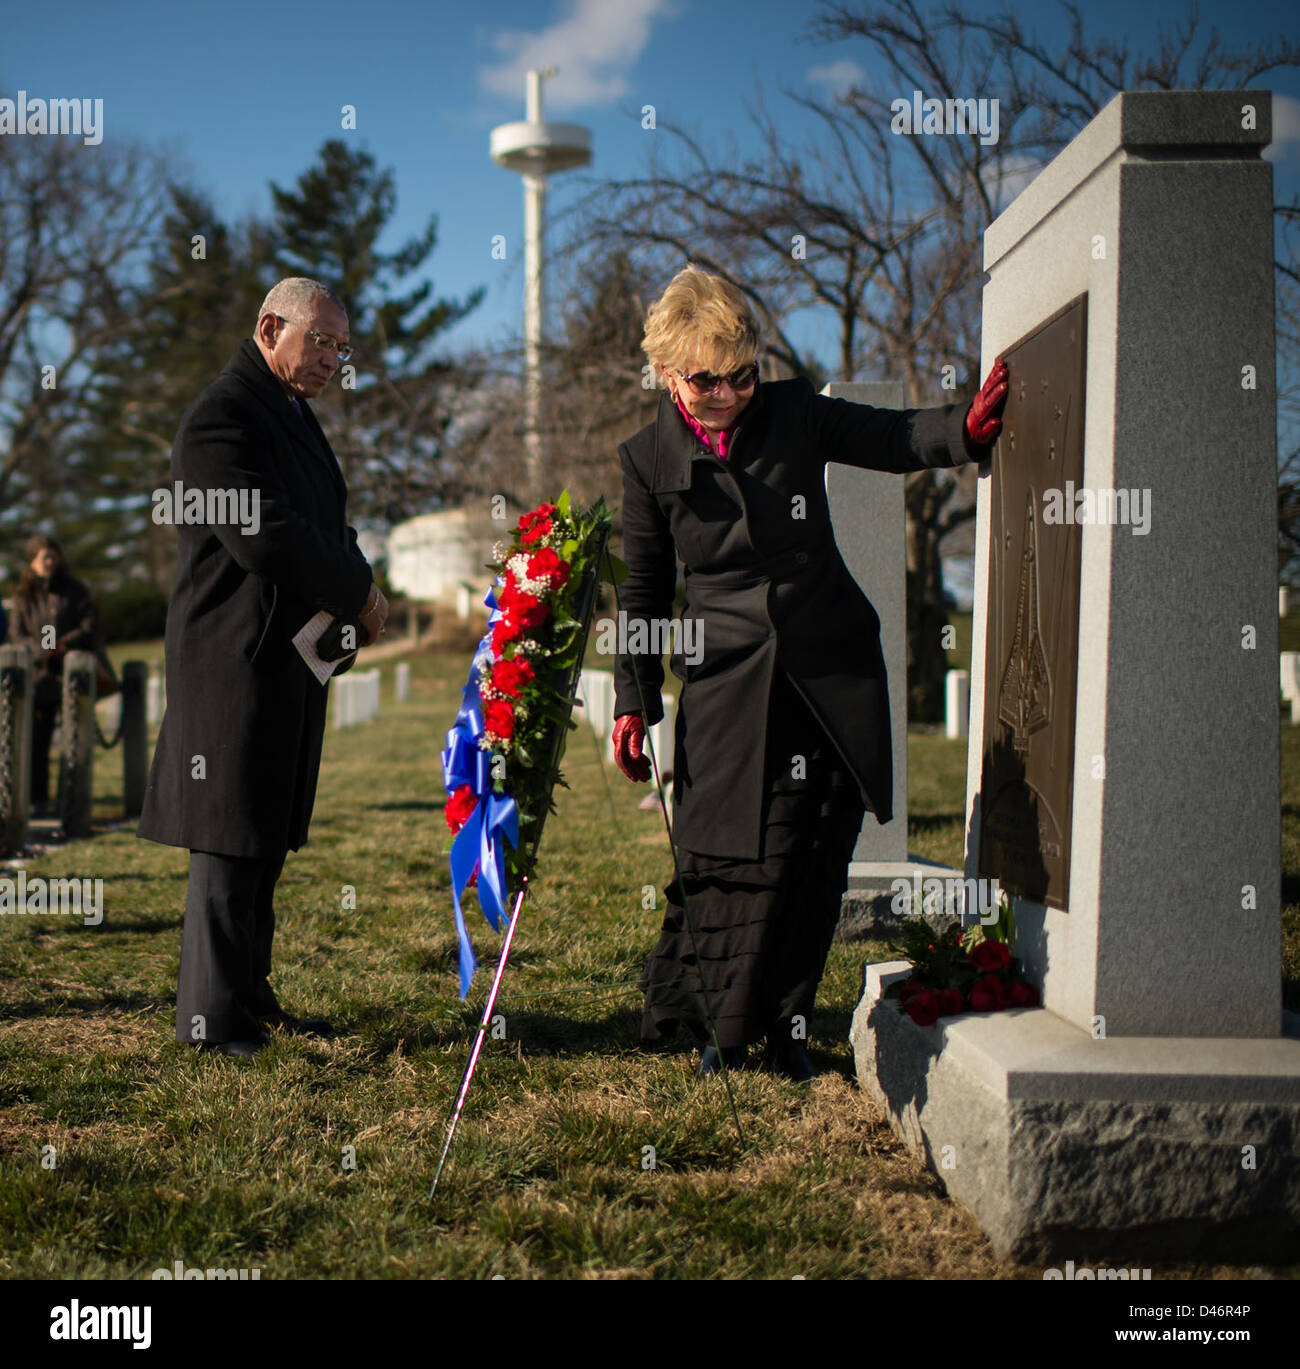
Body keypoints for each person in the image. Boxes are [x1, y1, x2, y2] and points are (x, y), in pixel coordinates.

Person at [611, 266, 1008, 1081]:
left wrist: (961, 432)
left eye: (742, 374)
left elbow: (887, 437)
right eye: (706, 379)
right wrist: (633, 700)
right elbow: (645, 588)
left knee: (813, 852)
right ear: (668, 371)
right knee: (726, 859)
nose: (728, 392)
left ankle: (788, 1025)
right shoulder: (646, 457)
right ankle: (720, 1034)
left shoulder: (791, 412)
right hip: (724, 679)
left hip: (826, 668)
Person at [137, 277, 389, 1058]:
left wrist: (359, 586)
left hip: (285, 660)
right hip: (231, 662)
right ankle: (210, 1024)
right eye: (319, 341)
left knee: (263, 838)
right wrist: (358, 589)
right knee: (227, 839)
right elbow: (263, 534)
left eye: (341, 349)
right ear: (269, 326)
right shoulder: (222, 415)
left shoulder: (290, 415)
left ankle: (249, 995)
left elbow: (325, 522)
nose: (331, 360)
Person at [10, 535, 102, 815]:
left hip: (71, 676)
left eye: (53, 556)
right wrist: (40, 651)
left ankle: (71, 801)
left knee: (74, 742)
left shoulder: (75, 590)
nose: (49, 562)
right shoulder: (24, 594)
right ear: (33, 562)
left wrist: (62, 645)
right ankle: (38, 800)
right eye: (43, 558)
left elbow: (89, 624)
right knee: (37, 744)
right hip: (38, 680)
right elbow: (17, 633)